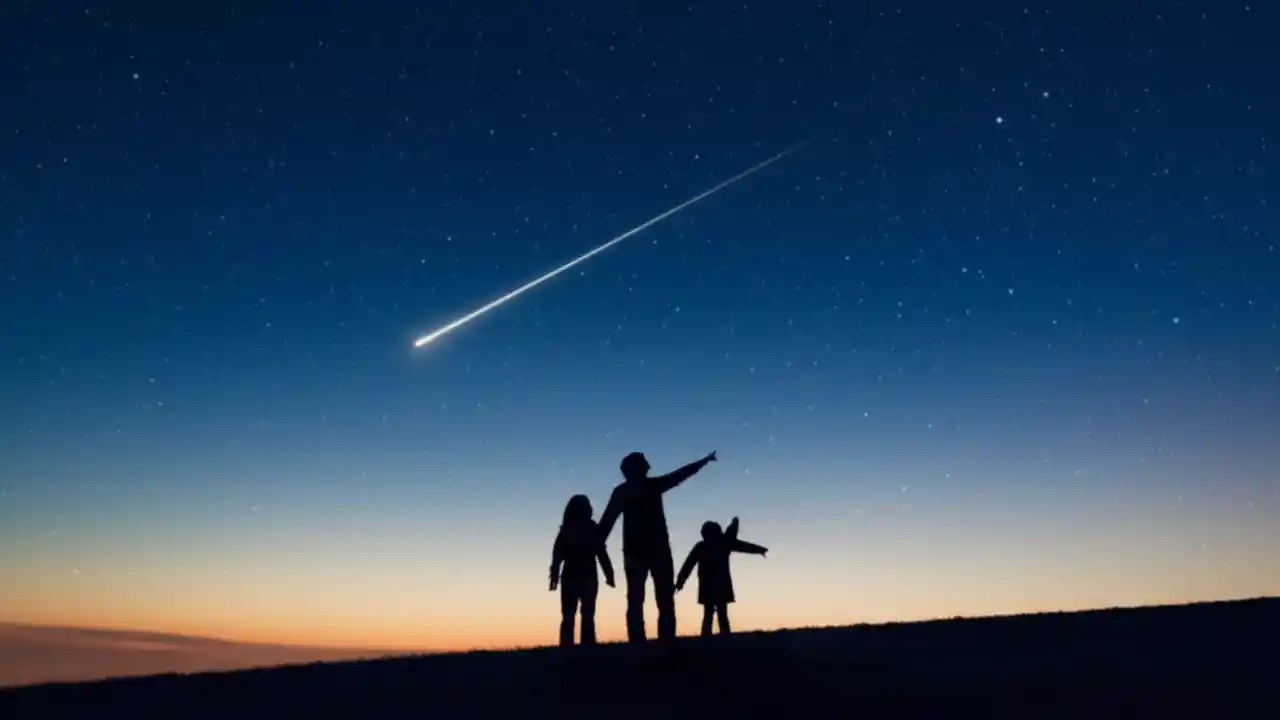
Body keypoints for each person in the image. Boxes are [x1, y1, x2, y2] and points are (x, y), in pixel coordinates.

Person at [598, 450, 717, 644]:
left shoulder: (624, 491)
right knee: (662, 601)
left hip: (638, 553)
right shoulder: (650, 486)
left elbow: (606, 524)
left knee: (638, 601)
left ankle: (640, 643)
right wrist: (704, 461)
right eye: (645, 464)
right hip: (656, 552)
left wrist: (596, 547)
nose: (649, 466)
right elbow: (680, 475)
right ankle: (665, 643)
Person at [675, 516, 767, 637]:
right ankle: (723, 639)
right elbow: (742, 545)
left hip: (709, 585)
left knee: (710, 613)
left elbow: (688, 565)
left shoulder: (704, 546)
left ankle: (709, 639)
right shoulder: (722, 543)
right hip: (720, 584)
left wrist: (680, 582)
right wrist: (760, 550)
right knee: (720, 614)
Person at [549, 494, 615, 647]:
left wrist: (554, 576)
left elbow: (557, 554)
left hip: (570, 576)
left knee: (568, 615)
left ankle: (567, 647)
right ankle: (587, 645)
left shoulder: (567, 529)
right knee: (587, 614)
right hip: (587, 576)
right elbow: (602, 553)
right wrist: (609, 574)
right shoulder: (592, 529)